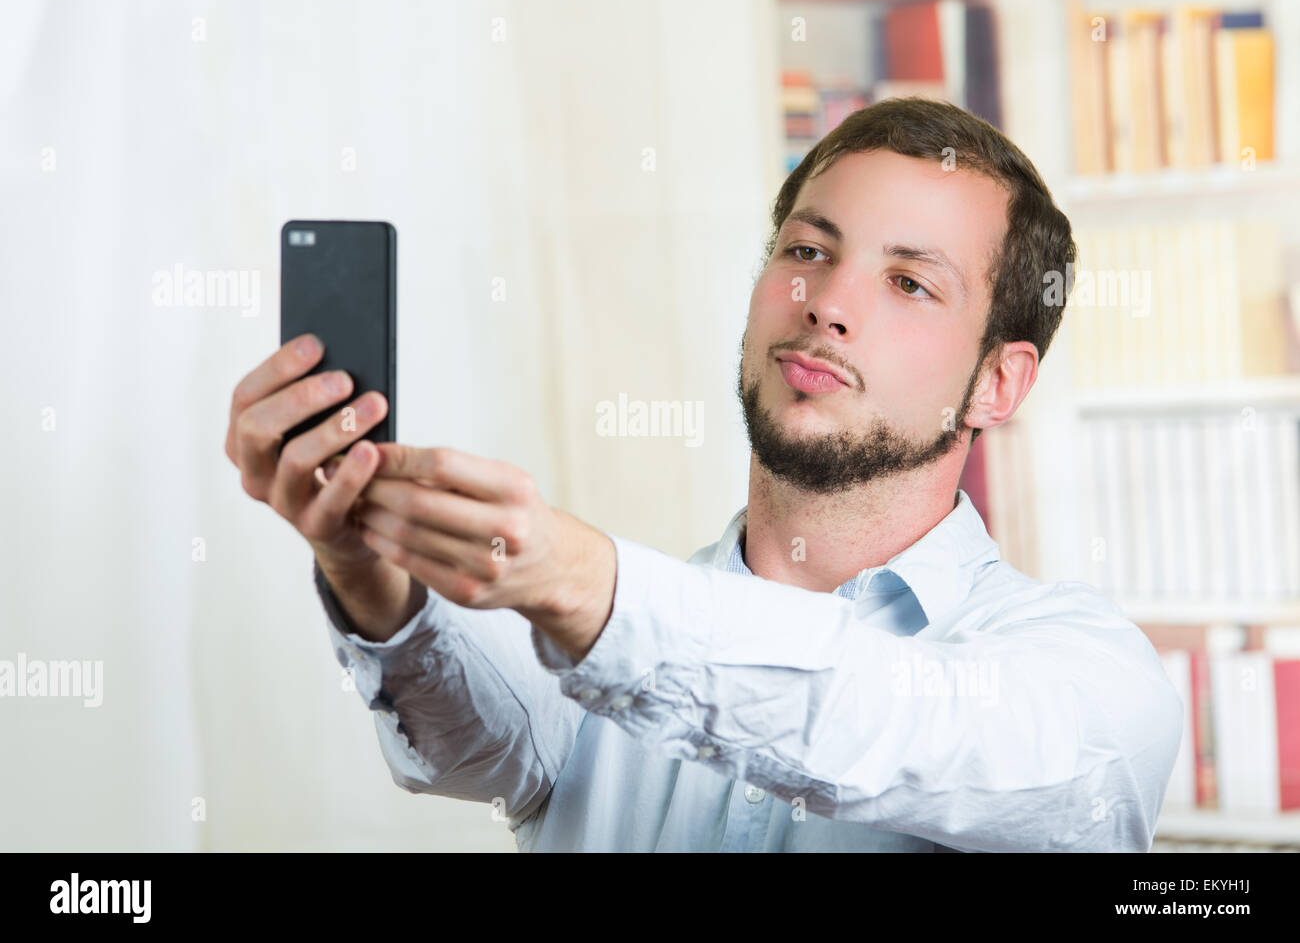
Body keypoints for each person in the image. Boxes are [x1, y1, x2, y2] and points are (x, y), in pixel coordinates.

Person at [226, 97, 1182, 852]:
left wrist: (579, 580)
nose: (828, 303)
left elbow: (890, 723)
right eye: (807, 250)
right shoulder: (598, 647)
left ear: (998, 381)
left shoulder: (1091, 681)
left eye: (909, 282)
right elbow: (464, 740)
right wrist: (362, 565)